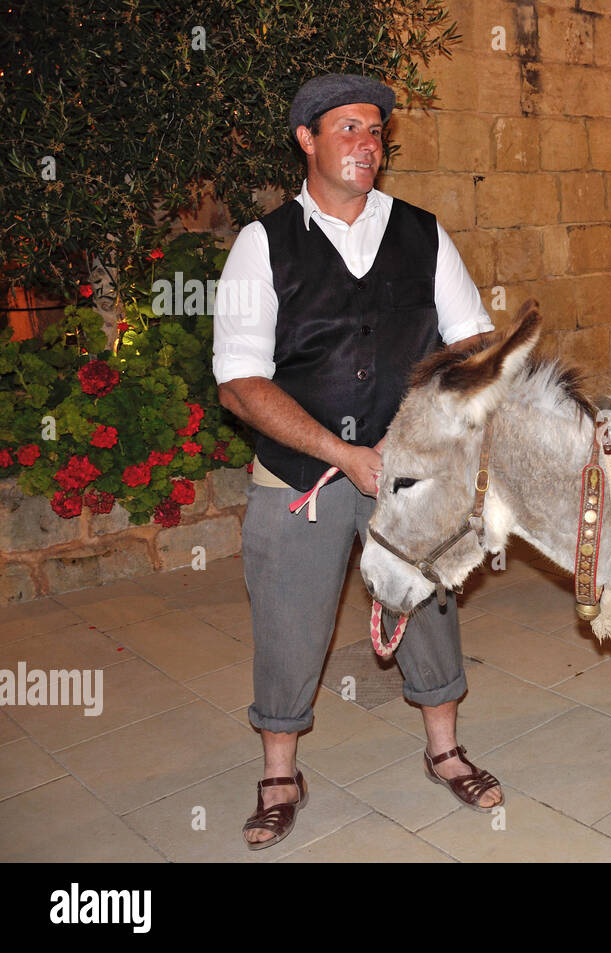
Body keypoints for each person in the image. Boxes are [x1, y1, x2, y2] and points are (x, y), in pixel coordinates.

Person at [213, 74, 502, 850]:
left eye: (375, 131)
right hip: (299, 475)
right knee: (288, 620)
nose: (366, 145)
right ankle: (280, 771)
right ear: (306, 139)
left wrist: (425, 438)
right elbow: (240, 383)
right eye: (347, 128)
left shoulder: (423, 233)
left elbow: (474, 343)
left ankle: (445, 748)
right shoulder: (262, 243)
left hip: (407, 473)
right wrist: (343, 453)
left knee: (431, 609)